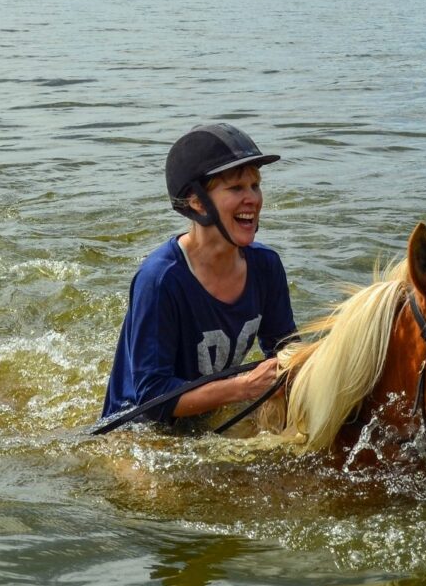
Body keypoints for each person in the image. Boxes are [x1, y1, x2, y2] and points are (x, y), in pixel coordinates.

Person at [102, 123, 296, 424]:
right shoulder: (161, 279)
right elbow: (152, 399)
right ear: (195, 200)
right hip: (137, 431)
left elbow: (284, 350)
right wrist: (241, 388)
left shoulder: (266, 266)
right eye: (236, 188)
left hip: (209, 417)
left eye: (255, 186)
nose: (253, 199)